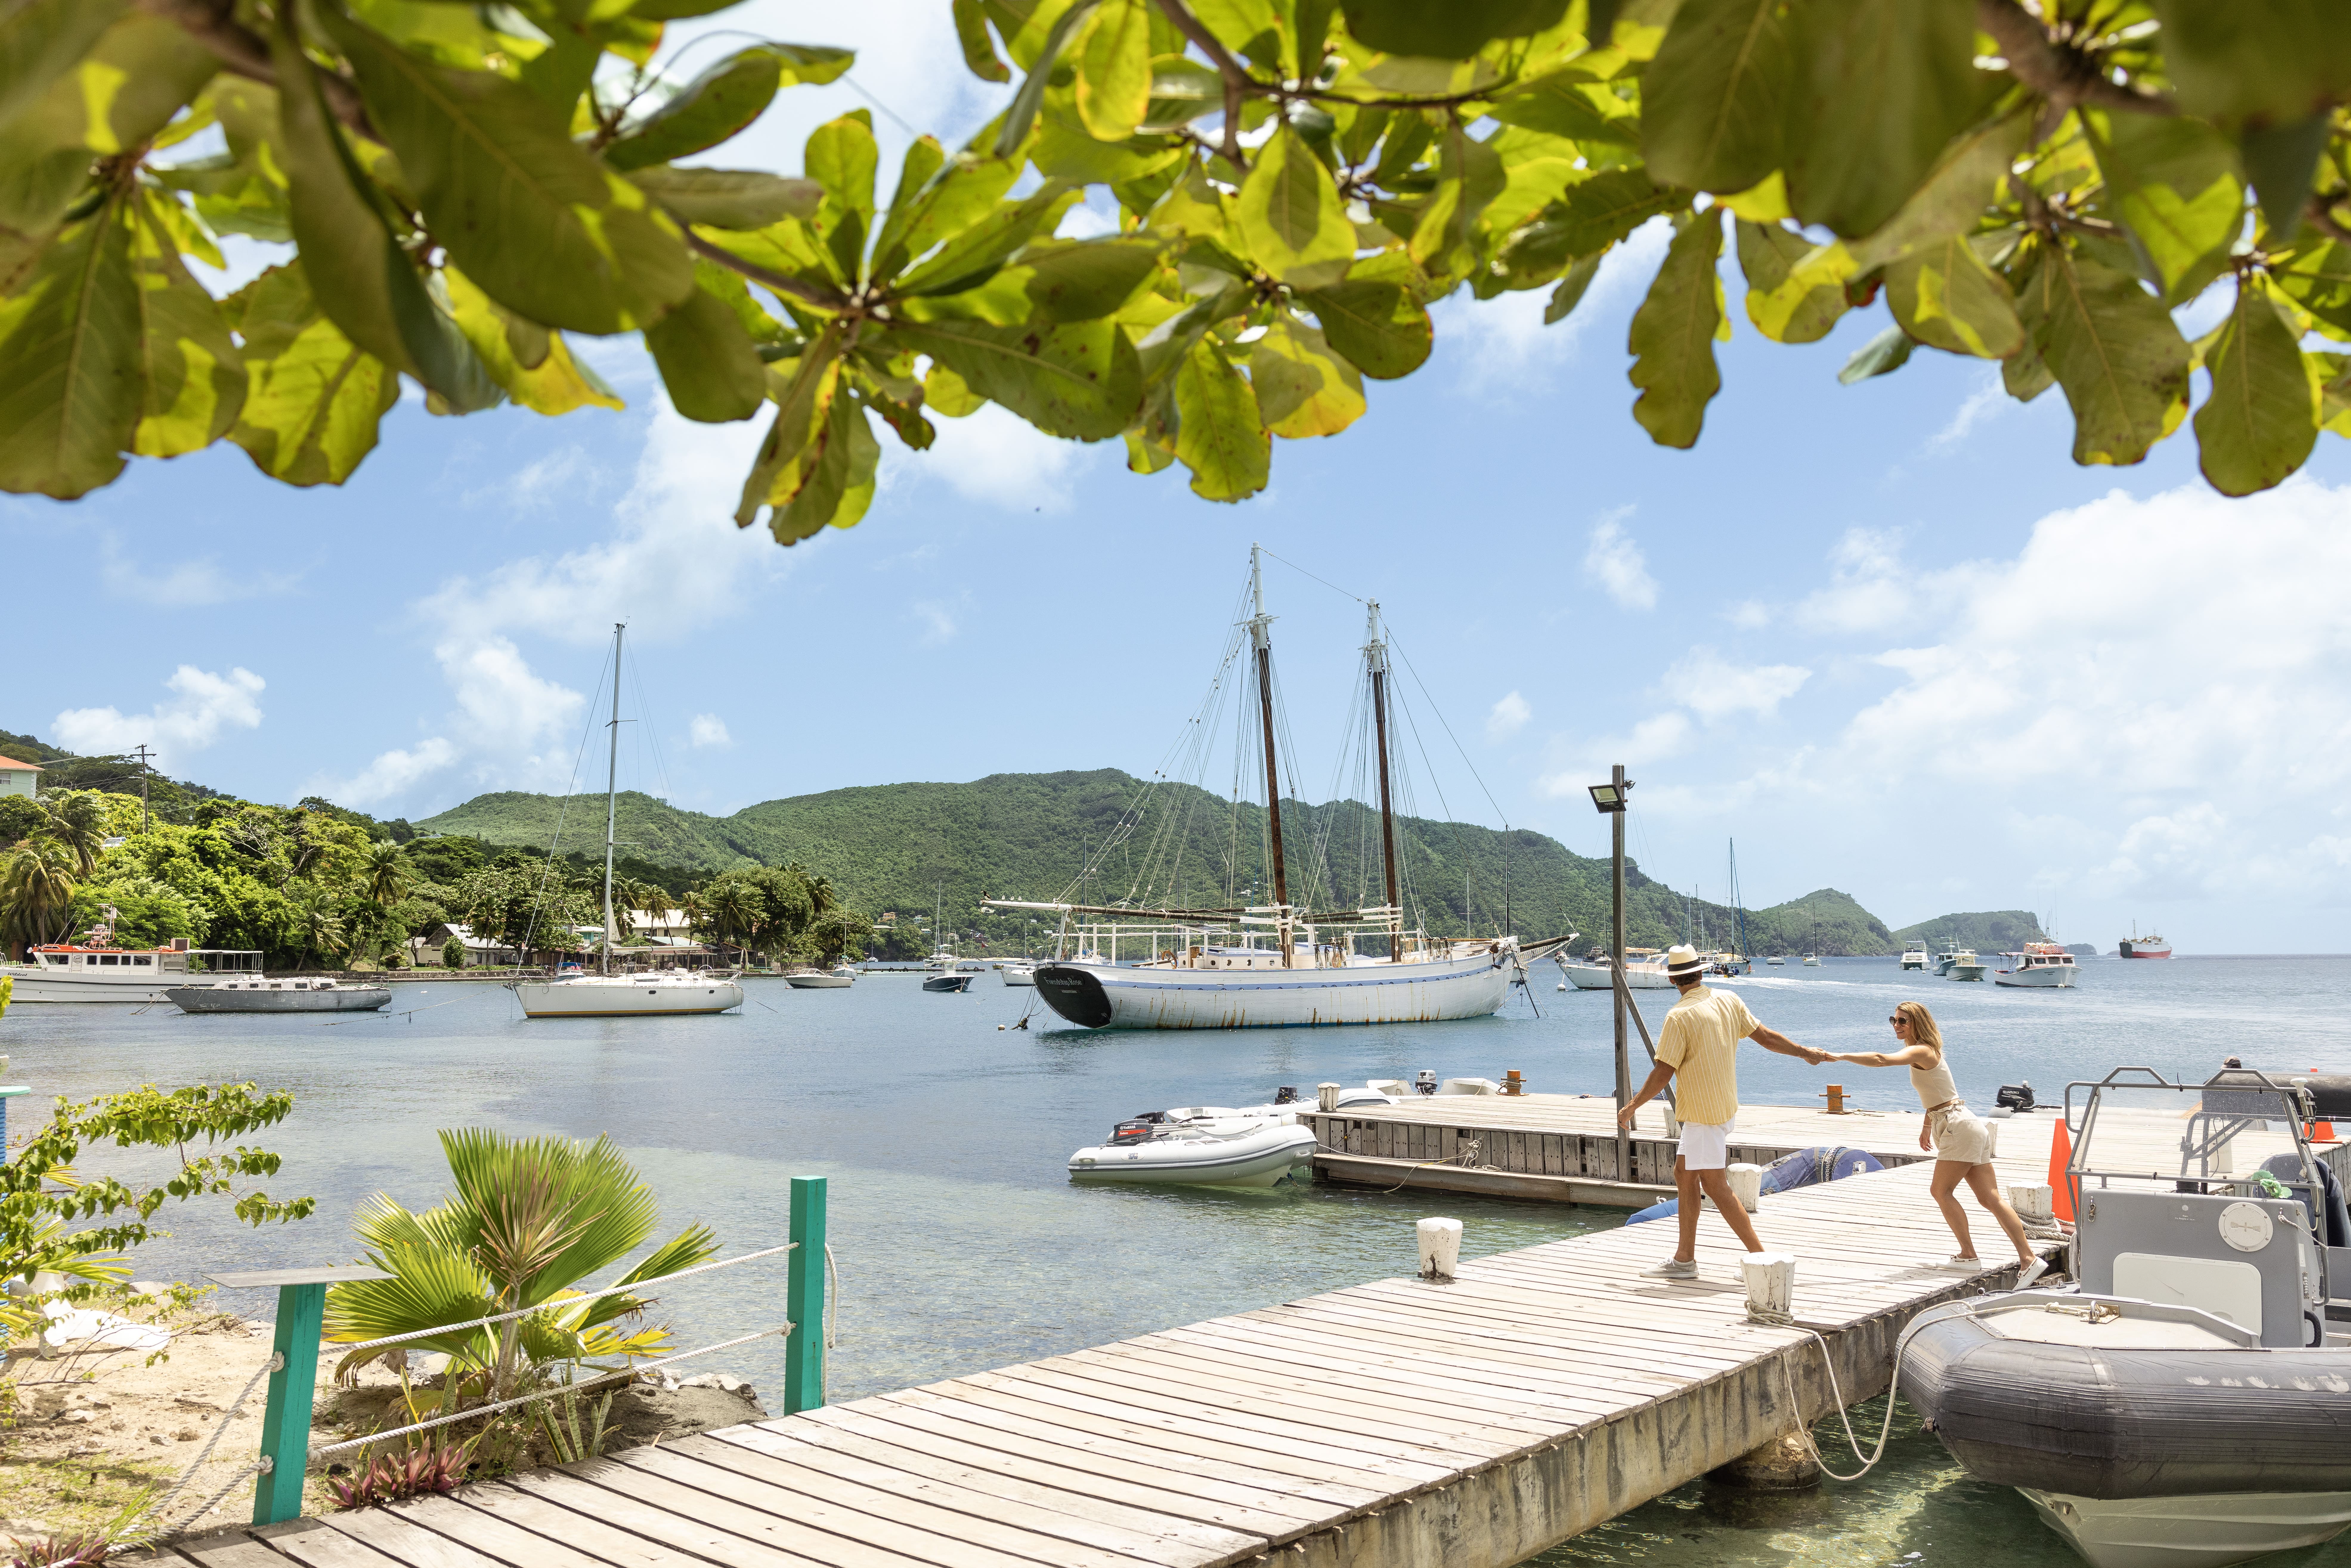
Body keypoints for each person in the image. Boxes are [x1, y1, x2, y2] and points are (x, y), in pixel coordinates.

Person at [1619, 944, 1827, 1279]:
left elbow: (1663, 1072)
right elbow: (1766, 1038)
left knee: (1716, 1186)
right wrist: (1804, 1052)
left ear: (1674, 980)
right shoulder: (1729, 1000)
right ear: (1701, 973)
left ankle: (1763, 1264)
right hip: (1723, 1106)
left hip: (1702, 1113)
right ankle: (1684, 1260)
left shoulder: (1679, 1016)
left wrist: (1631, 1106)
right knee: (1685, 1175)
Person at [1818, 1000, 2047, 1288]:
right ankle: (2022, 1258)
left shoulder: (1922, 1050)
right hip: (1960, 1122)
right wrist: (1927, 1126)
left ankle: (1974, 1255)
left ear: (1918, 1023)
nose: (1896, 1026)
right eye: (1894, 1020)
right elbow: (1938, 1092)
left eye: (1903, 1021)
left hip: (1957, 1126)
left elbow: (1880, 1059)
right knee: (1990, 1199)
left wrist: (1838, 1056)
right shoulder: (1925, 1051)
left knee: (1941, 1191)